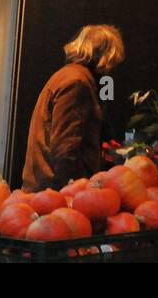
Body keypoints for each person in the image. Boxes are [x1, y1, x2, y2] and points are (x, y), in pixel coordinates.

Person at [22, 24, 125, 191]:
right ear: (107, 56)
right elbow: (66, 149)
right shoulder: (77, 83)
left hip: (48, 192)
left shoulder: (69, 75)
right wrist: (76, 193)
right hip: (55, 195)